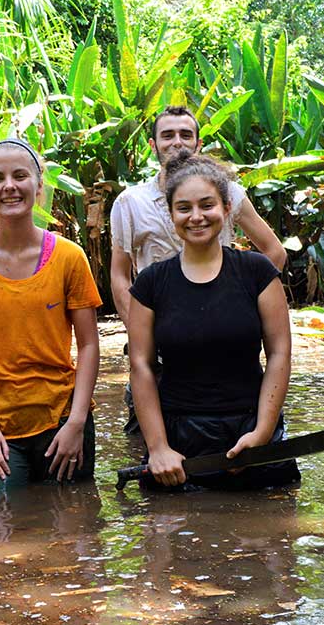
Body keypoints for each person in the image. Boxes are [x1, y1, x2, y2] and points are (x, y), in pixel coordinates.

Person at [110, 105, 288, 433]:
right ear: (153, 144)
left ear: (198, 142)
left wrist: (245, 304)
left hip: (224, 336)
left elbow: (274, 251)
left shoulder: (229, 192)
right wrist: (141, 329)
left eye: (185, 134)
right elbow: (120, 275)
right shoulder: (130, 202)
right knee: (147, 438)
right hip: (162, 335)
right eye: (167, 135)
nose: (177, 142)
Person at [127, 154, 300, 490]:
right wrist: (158, 447)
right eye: (184, 208)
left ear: (226, 208)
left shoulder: (257, 272)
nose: (196, 217)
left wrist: (262, 432)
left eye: (207, 205)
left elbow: (279, 353)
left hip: (252, 428)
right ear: (171, 214)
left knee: (272, 519)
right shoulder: (151, 283)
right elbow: (141, 367)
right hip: (178, 439)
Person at [0, 139, 102, 492]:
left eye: (20, 176)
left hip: (63, 419)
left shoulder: (70, 257)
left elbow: (89, 344)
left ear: (39, 185)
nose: (10, 186)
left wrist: (76, 422)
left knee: (75, 514)